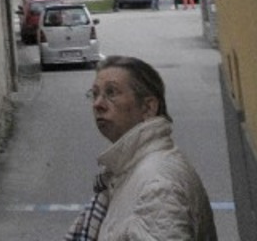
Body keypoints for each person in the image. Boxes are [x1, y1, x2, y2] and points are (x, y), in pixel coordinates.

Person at [67, 57, 216, 241]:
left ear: (148, 108)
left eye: (111, 93)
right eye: (95, 94)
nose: (98, 104)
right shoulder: (127, 170)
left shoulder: (158, 187)